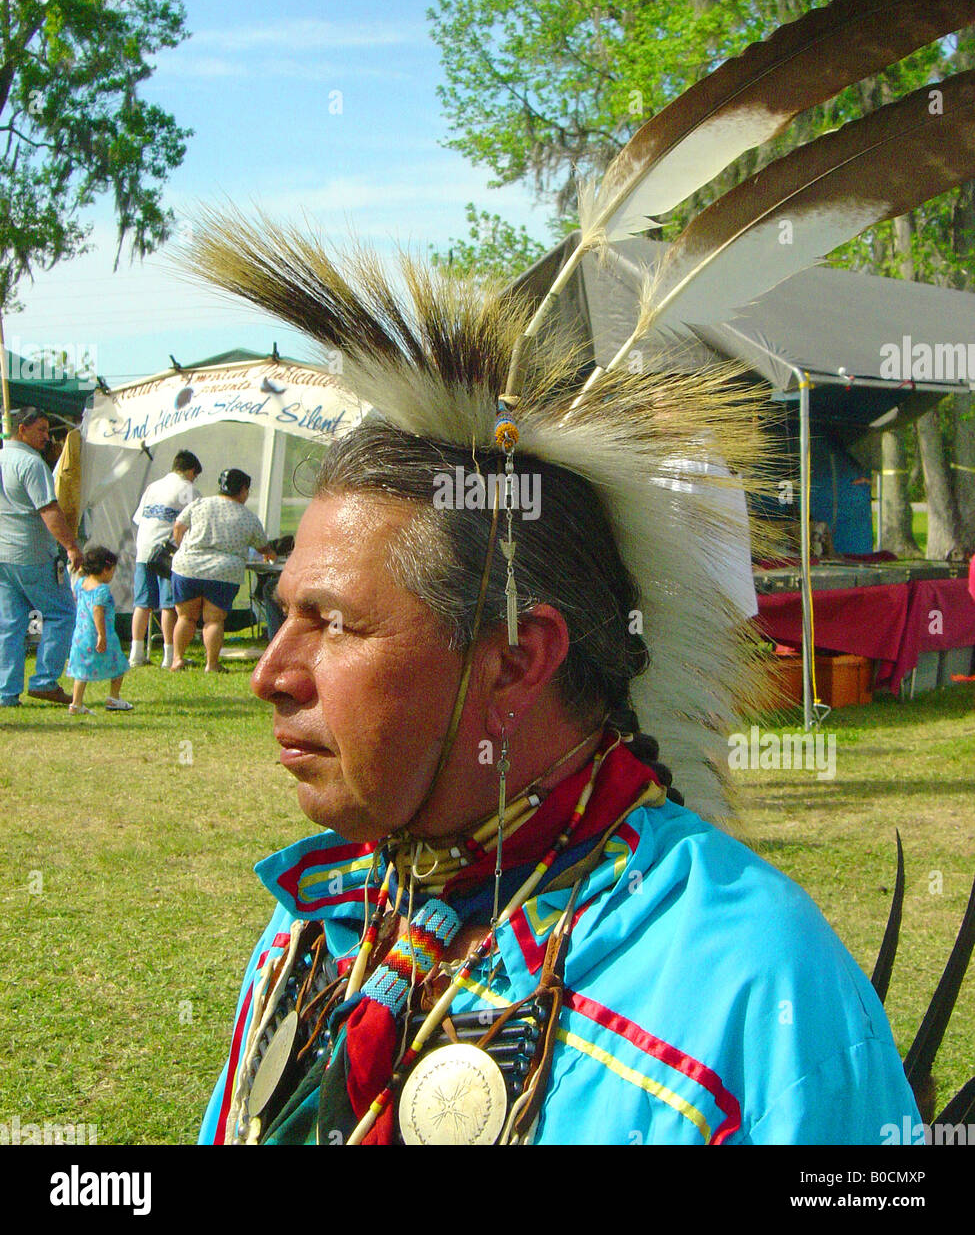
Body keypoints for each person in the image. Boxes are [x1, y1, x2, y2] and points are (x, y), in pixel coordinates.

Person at [188, 231, 923, 1147]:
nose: (269, 675)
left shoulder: (744, 987)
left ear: (514, 659)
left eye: (333, 623)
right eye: (281, 612)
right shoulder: (323, 918)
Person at [0, 407, 82, 708]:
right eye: (42, 430)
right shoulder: (31, 463)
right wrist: (71, 546)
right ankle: (44, 681)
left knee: (10, 624)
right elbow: (48, 510)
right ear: (22, 429)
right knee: (62, 614)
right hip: (32, 553)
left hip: (3, 555)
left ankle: (5, 692)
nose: (47, 437)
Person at [170, 468, 275, 673]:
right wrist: (270, 554)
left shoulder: (199, 504)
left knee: (185, 617)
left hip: (187, 567)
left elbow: (178, 527)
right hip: (223, 572)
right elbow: (264, 547)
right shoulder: (248, 517)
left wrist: (183, 547)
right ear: (243, 490)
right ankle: (212, 664)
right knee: (214, 619)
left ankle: (177, 659)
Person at [130, 450, 202, 669]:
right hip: (167, 555)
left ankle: (136, 654)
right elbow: (196, 523)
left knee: (142, 604)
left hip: (144, 550)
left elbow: (138, 518)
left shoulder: (153, 486)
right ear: (191, 471)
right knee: (168, 606)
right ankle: (169, 655)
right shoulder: (189, 490)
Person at [66, 546, 132, 714]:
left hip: (81, 636)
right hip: (101, 635)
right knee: (119, 664)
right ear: (105, 570)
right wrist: (102, 635)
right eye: (112, 572)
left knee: (81, 671)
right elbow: (98, 611)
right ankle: (114, 697)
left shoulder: (81, 583)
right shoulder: (101, 589)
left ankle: (76, 703)